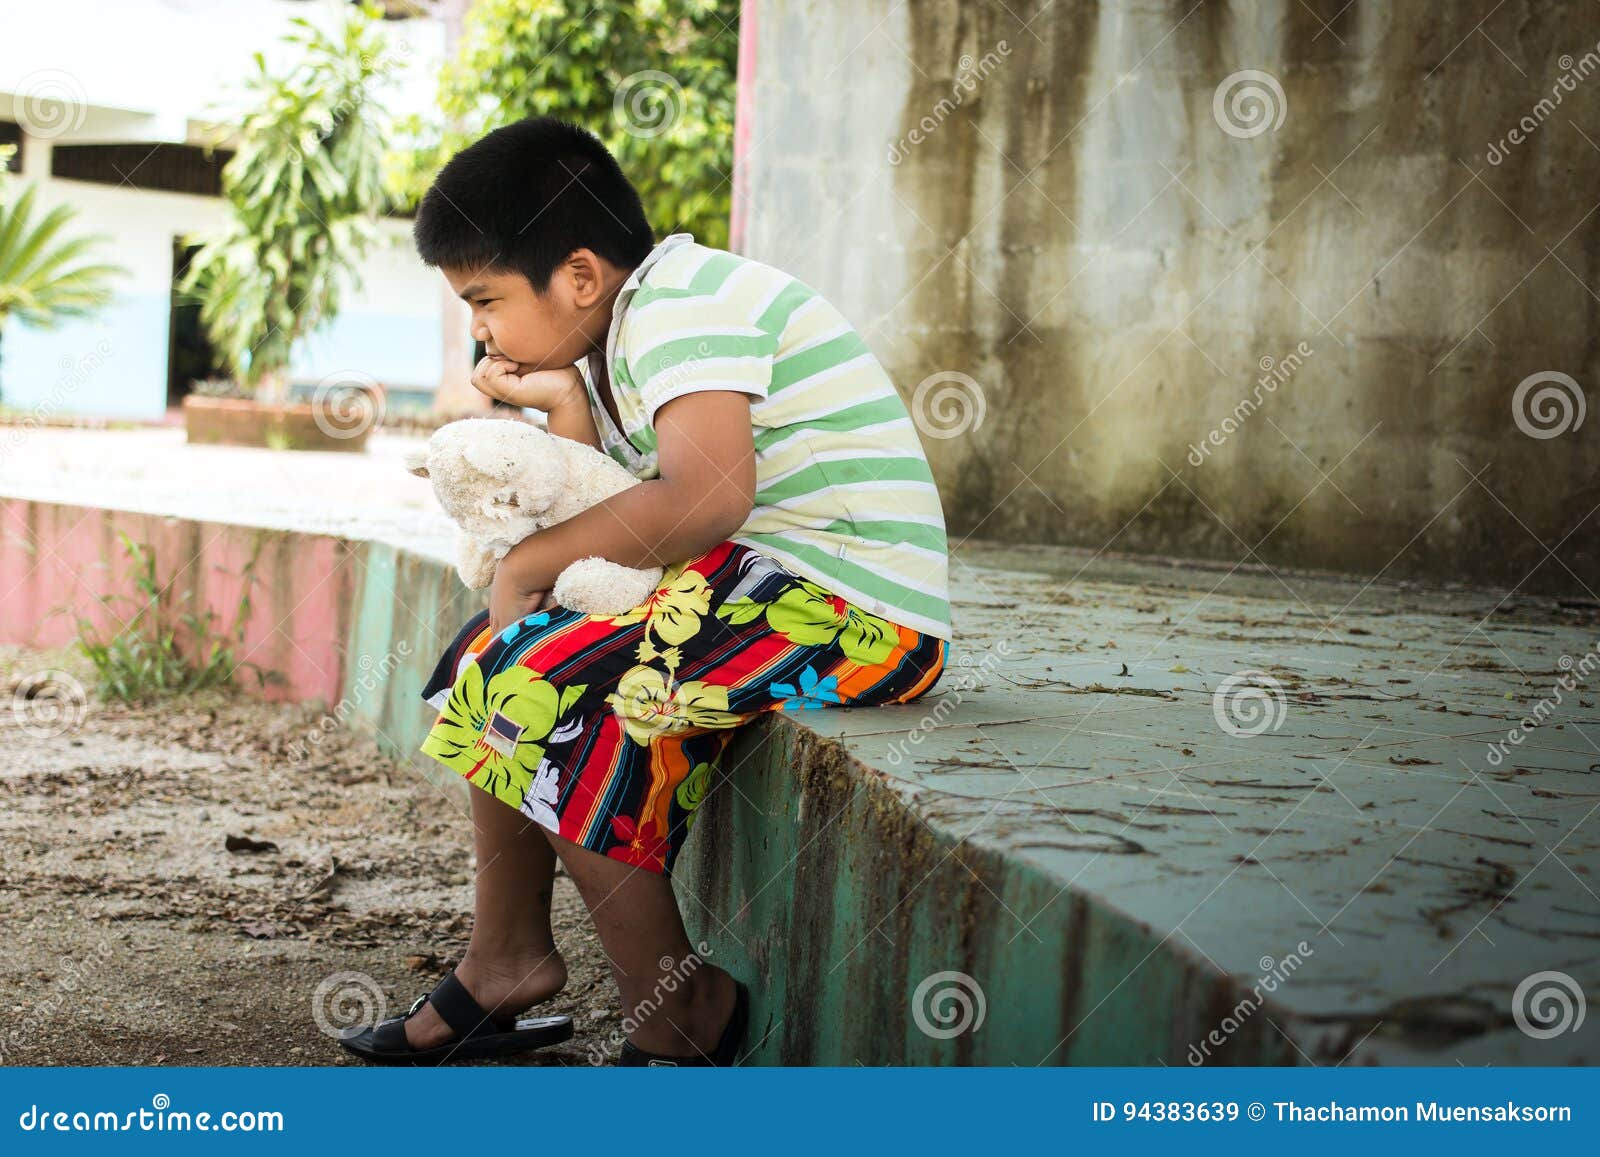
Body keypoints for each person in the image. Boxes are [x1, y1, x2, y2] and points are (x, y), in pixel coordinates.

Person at [339, 115, 952, 1067]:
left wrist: (525, 565)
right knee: (495, 656)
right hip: (754, 588)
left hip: (850, 612)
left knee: (540, 668)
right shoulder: (621, 336)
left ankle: (681, 1008)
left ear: (579, 274)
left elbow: (707, 498)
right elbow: (620, 533)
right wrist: (571, 409)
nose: (481, 332)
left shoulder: (685, 302)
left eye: (485, 298)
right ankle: (505, 957)